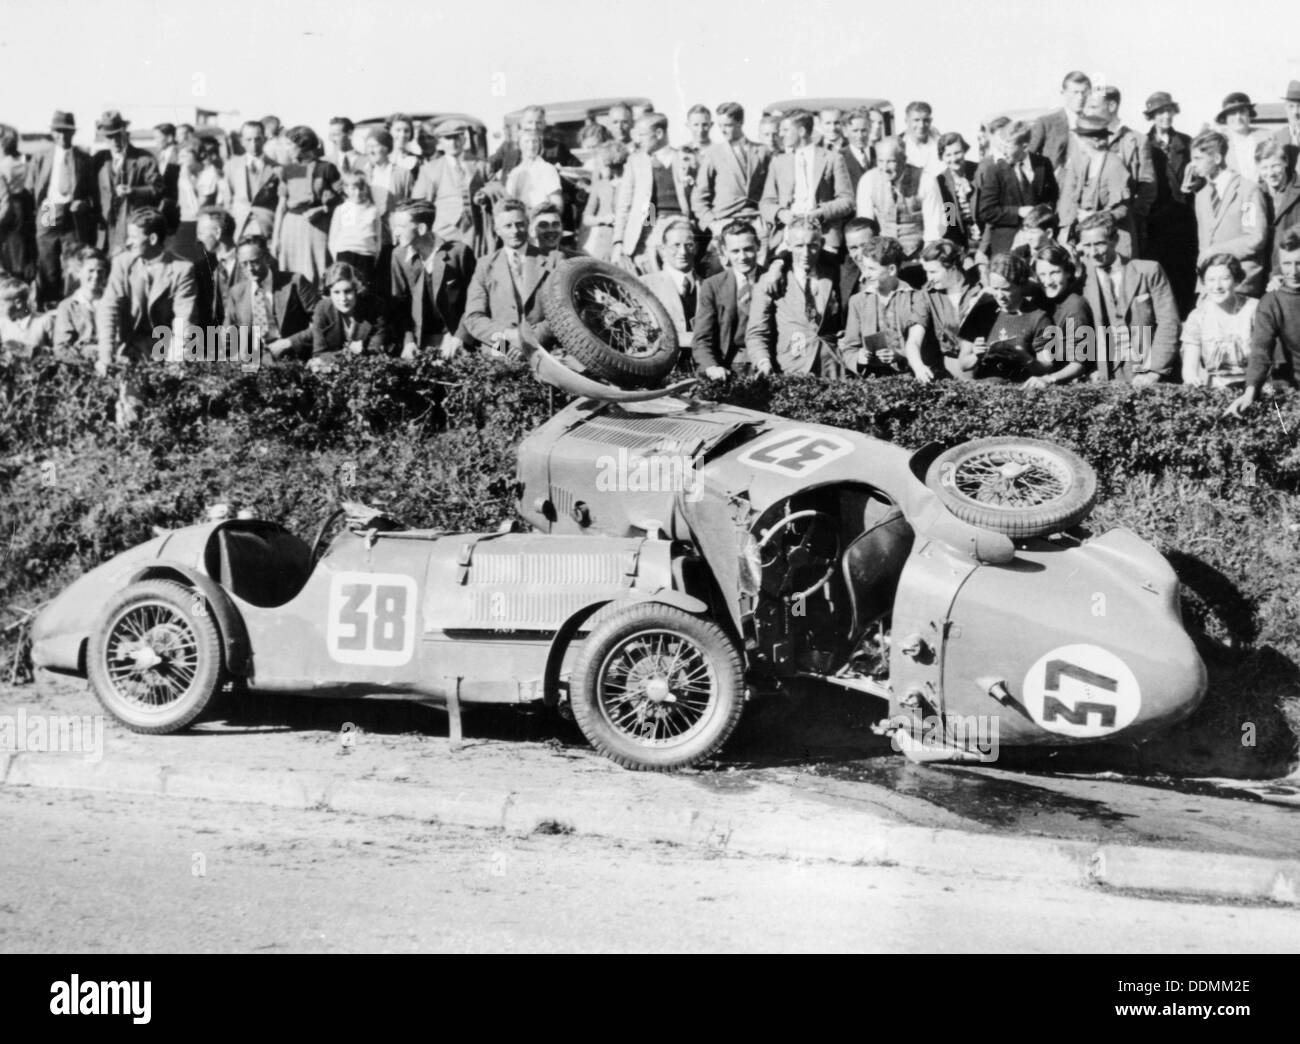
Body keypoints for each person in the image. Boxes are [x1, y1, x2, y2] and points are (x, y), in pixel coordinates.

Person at [1075, 211, 1180, 385]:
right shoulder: (1082, 281)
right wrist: (1091, 370)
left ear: (1115, 239)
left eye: (1099, 244)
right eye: (1087, 245)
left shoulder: (1148, 271)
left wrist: (1154, 372)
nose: (1093, 252)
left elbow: (1169, 323)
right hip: (1107, 375)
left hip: (1147, 370)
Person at [745, 216, 847, 376]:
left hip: (832, 369)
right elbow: (757, 332)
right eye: (799, 246)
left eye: (812, 246)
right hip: (791, 368)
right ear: (789, 245)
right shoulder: (772, 280)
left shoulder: (835, 273)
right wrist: (763, 361)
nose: (806, 253)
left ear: (821, 243)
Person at [97, 208, 196, 371]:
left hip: (167, 348)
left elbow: (184, 318)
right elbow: (108, 308)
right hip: (130, 349)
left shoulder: (182, 269)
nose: (128, 242)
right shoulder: (122, 263)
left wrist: (176, 361)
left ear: (152, 239)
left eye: (134, 237)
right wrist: (106, 356)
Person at [461, 198, 557, 360]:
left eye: (520, 224)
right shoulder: (485, 266)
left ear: (528, 225)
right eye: (508, 226)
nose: (515, 231)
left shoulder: (552, 260)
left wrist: (530, 342)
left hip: (545, 351)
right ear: (497, 230)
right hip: (501, 353)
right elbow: (473, 318)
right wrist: (505, 341)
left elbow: (561, 313)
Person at [26, 110, 98, 308]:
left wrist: (85, 203)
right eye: (58, 131)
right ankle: (49, 302)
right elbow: (30, 188)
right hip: (49, 208)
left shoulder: (83, 158)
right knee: (47, 257)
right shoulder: (42, 157)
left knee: (74, 258)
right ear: (53, 133)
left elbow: (93, 192)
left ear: (73, 133)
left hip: (72, 211)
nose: (62, 135)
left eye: (66, 131)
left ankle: (74, 305)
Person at [1226, 228, 1300, 416]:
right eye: (1287, 263)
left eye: (1299, 263)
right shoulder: (1272, 301)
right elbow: (1261, 349)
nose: (1293, 271)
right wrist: (1250, 392)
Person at [759, 109, 854, 254]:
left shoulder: (832, 158)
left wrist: (820, 212)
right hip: (787, 237)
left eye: (786, 130)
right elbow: (766, 203)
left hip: (824, 237)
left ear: (802, 131)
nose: (781, 134)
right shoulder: (779, 162)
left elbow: (847, 201)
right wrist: (781, 213)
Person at [843, 235, 937, 380]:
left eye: (872, 269)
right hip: (872, 383)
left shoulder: (916, 298)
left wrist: (899, 355)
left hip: (910, 378)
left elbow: (925, 345)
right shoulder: (858, 301)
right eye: (865, 267)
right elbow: (850, 348)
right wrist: (859, 358)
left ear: (891, 269)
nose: (866, 274)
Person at [389, 199, 474, 357]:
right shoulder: (399, 256)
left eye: (401, 226)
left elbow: (475, 302)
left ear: (421, 229)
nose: (395, 232)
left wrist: (460, 337)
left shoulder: (459, 253)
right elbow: (400, 306)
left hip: (456, 336)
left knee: (497, 352)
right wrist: (408, 341)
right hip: (421, 340)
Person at [1189, 130, 1268, 297]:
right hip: (1210, 287)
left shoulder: (1247, 191)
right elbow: (1204, 245)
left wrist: (1215, 251)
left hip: (1242, 282)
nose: (1192, 164)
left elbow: (1255, 237)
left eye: (1198, 159)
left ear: (1217, 159)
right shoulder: (1201, 197)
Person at [612, 113, 692, 273]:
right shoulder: (636, 161)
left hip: (679, 221)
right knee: (647, 261)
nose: (638, 140)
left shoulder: (683, 158)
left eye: (642, 135)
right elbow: (624, 206)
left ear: (659, 134)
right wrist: (618, 241)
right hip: (651, 220)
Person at [223, 233, 319, 364]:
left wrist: (290, 342)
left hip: (293, 360)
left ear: (267, 258)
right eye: (244, 264)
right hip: (254, 364)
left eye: (255, 262)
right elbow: (229, 335)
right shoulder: (237, 292)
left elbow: (323, 321)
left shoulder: (295, 282)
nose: (250, 269)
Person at [957, 253, 1053, 382]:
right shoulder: (981, 311)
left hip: (1018, 392)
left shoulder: (1039, 318)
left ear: (1021, 286)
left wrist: (1025, 359)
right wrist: (976, 355)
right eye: (995, 288)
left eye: (1006, 289)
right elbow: (963, 364)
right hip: (983, 389)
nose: (999, 295)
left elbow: (1047, 367)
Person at [690, 102, 772, 254]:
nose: (722, 130)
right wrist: (713, 223)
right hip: (725, 220)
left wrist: (768, 219)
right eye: (720, 125)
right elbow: (698, 196)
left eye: (728, 125)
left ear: (741, 122)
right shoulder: (714, 153)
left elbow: (773, 190)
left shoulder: (762, 151)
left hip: (757, 220)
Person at [1085, 85, 1158, 251]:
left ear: (1112, 106)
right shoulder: (1085, 141)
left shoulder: (1136, 140)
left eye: (1093, 107)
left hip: (1123, 229)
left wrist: (1132, 217)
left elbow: (1148, 186)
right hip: (1090, 231)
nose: (1088, 112)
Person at [1144, 92, 1197, 316]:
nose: (1165, 116)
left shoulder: (1187, 142)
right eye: (1159, 112)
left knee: (1184, 274)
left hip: (1184, 219)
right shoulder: (1143, 143)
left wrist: (1192, 186)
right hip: (1156, 222)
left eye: (1168, 111)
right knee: (1161, 277)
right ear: (1152, 116)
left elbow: (1198, 174)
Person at [856, 137, 939, 279]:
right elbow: (865, 227)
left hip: (917, 259)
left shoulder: (926, 180)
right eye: (880, 161)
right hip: (883, 261)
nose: (885, 167)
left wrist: (926, 262)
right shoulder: (868, 180)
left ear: (903, 159)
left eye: (891, 161)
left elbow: (935, 227)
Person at [975, 120, 1058, 260]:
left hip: (1038, 243)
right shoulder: (993, 170)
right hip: (1006, 244)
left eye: (1008, 146)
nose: (1002, 151)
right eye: (1002, 145)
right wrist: (1018, 211)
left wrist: (1042, 214)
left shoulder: (1043, 164)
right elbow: (984, 210)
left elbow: (1052, 197)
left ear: (1024, 147)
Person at [1058, 114, 1138, 257]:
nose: (1076, 141)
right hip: (1086, 240)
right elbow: (1068, 200)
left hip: (1113, 240)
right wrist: (1065, 236)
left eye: (1080, 137)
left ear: (1093, 140)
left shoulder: (1114, 164)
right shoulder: (1079, 162)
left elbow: (1123, 209)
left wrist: (1096, 217)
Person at [692, 219, 763, 377]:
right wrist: (711, 367)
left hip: (766, 364)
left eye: (748, 249)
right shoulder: (712, 286)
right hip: (727, 365)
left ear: (758, 246)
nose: (742, 257)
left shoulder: (771, 279)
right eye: (735, 251)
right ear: (724, 252)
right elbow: (702, 338)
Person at [273, 126, 342, 287]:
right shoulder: (289, 170)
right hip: (291, 227)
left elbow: (342, 199)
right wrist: (276, 238)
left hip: (318, 226)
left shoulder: (326, 169)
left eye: (290, 145)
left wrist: (323, 209)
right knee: (291, 272)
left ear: (303, 146)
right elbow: (281, 206)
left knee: (318, 270)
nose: (286, 149)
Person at [412, 118, 492, 255]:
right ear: (440, 142)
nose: (453, 143)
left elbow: (496, 191)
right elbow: (418, 206)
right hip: (443, 233)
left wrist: (486, 194)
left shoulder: (481, 166)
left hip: (475, 234)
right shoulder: (430, 170)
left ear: (464, 139)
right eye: (448, 138)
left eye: (457, 137)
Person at [917, 238, 993, 380]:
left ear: (952, 268)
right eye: (926, 272)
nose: (929, 278)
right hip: (952, 366)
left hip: (985, 363)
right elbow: (915, 336)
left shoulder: (980, 287)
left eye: (933, 272)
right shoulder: (927, 294)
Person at [1180, 254, 1257, 389]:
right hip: (1216, 388)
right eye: (1211, 280)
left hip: (1253, 386)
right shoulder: (1197, 317)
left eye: (1225, 279)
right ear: (1204, 282)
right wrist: (1192, 379)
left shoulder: (1254, 309)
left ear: (1236, 280)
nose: (1217, 286)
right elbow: (1189, 369)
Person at [1022, 242, 1093, 388]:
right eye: (1042, 274)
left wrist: (1049, 379)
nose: (1047, 281)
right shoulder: (1040, 300)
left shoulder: (1075, 306)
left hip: (1063, 385)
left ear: (1067, 272)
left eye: (1054, 273)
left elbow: (1080, 364)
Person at [94, 110, 164, 256]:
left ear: (126, 133)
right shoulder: (99, 160)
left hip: (129, 229)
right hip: (104, 231)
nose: (114, 141)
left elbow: (158, 189)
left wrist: (134, 191)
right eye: (109, 137)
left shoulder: (144, 159)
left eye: (118, 135)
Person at [309, 261, 392, 368]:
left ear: (357, 289)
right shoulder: (322, 309)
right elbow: (319, 354)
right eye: (336, 292)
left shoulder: (375, 307)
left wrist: (359, 352)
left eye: (348, 291)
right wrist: (349, 352)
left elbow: (376, 352)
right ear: (329, 293)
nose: (343, 299)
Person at [640, 215, 697, 351]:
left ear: (696, 248)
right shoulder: (645, 285)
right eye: (676, 245)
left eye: (689, 245)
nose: (683, 252)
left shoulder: (710, 285)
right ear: (662, 250)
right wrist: (682, 338)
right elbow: (639, 332)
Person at [224, 120, 281, 240]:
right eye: (248, 139)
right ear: (242, 141)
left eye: (258, 139)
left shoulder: (277, 168)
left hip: (266, 227)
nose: (254, 144)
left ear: (265, 139)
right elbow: (227, 200)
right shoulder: (231, 166)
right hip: (239, 226)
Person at [50, 246, 108, 363]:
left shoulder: (112, 301)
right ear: (78, 273)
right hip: (80, 364)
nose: (96, 276)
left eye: (100, 271)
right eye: (90, 271)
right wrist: (84, 364)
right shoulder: (68, 306)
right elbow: (61, 347)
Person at [489, 106, 580, 178]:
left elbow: (578, 168)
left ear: (544, 124)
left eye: (538, 123)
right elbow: (488, 167)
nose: (534, 127)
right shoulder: (508, 147)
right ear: (522, 123)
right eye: (530, 122)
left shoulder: (556, 147)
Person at [1029, 70, 1093, 174]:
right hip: (1054, 186)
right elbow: (1028, 158)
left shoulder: (1095, 126)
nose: (1080, 97)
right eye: (1075, 92)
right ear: (1063, 93)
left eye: (1084, 92)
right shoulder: (1046, 123)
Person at [328, 171, 382, 290]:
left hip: (366, 255)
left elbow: (378, 238)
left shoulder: (373, 210)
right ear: (346, 189)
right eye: (353, 188)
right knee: (346, 287)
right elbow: (333, 238)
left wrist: (374, 257)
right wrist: (336, 258)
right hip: (345, 254)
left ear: (366, 189)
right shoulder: (341, 209)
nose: (357, 193)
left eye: (361, 188)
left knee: (363, 289)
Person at [171, 144, 223, 263]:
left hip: (202, 223)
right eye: (180, 157)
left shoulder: (209, 174)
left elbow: (197, 209)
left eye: (184, 156)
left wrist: (186, 181)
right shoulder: (189, 174)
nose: (180, 162)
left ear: (197, 156)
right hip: (187, 223)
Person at [1257, 138, 1300, 278]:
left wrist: (1280, 272)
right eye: (1264, 167)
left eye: (1275, 165)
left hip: (1292, 272)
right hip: (1262, 273)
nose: (1270, 173)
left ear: (1286, 162)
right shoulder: (1254, 194)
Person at [192, 206, 240, 327]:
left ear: (218, 232)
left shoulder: (249, 262)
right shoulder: (200, 269)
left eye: (201, 233)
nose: (198, 238)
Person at [581, 141, 626, 261]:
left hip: (627, 242)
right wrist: (602, 219)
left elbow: (649, 210)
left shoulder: (631, 184)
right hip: (603, 245)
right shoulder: (600, 185)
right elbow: (586, 218)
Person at [933, 131, 978, 249]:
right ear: (942, 157)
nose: (954, 159)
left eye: (957, 153)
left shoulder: (979, 171)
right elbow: (951, 218)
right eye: (948, 155)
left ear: (964, 150)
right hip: (962, 237)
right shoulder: (941, 182)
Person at [0, 125, 34, 282]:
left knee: (10, 256)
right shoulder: (25, 161)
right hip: (26, 207)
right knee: (23, 254)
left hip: (9, 209)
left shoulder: (4, 165)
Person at [1216, 93, 1271, 186]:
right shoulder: (1220, 142)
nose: (1238, 117)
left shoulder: (1266, 136)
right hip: (1234, 196)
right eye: (1232, 113)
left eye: (1242, 112)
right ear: (1226, 118)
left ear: (1249, 115)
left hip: (1265, 193)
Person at [504, 129, 564, 213]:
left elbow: (557, 202)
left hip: (541, 218)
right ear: (519, 145)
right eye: (526, 142)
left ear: (540, 144)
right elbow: (509, 201)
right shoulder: (514, 172)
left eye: (535, 141)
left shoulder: (547, 168)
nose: (531, 146)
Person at [0, 277, 54, 360]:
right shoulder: (3, 324)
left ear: (18, 303)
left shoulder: (44, 321)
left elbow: (57, 350)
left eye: (2, 305)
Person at [901, 101, 941, 174]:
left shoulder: (940, 142)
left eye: (926, 120)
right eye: (916, 120)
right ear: (906, 121)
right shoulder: (899, 145)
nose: (921, 125)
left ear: (930, 121)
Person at [842, 108, 876, 192]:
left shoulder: (878, 153)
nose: (860, 135)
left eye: (863, 130)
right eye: (855, 131)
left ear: (870, 129)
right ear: (845, 132)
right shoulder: (839, 157)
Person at [1273, 80, 1300, 171]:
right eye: (1291, 106)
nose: (1296, 112)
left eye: (1299, 106)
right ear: (1285, 108)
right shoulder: (1277, 136)